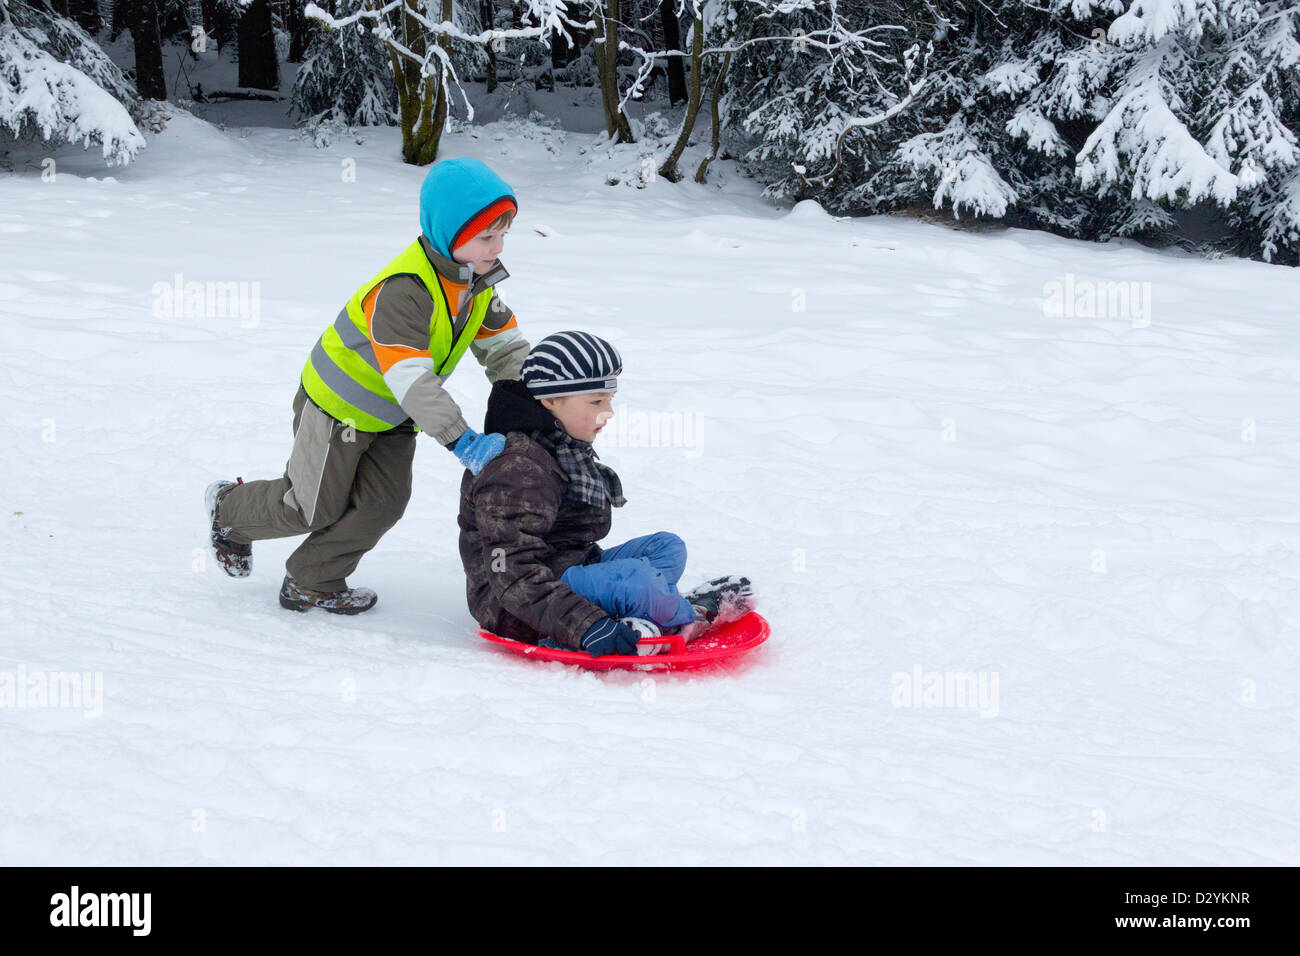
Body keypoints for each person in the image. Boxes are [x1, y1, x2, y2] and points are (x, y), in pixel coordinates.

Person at [206, 157, 527, 613]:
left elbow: (505, 349)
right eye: (485, 237)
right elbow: (412, 379)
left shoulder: (476, 283)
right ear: (447, 234)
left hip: (394, 416)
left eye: (502, 235)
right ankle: (228, 510)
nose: (496, 248)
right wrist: (462, 441)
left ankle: (311, 580)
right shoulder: (405, 288)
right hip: (339, 407)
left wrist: (538, 399)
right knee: (310, 506)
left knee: (383, 504)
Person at [458, 331, 754, 656]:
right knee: (637, 580)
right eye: (596, 401)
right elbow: (512, 573)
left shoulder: (558, 443)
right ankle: (688, 617)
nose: (609, 411)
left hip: (566, 566)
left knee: (668, 547)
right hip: (512, 604)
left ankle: (649, 609)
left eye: (610, 399)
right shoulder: (514, 469)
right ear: (550, 400)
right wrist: (586, 626)